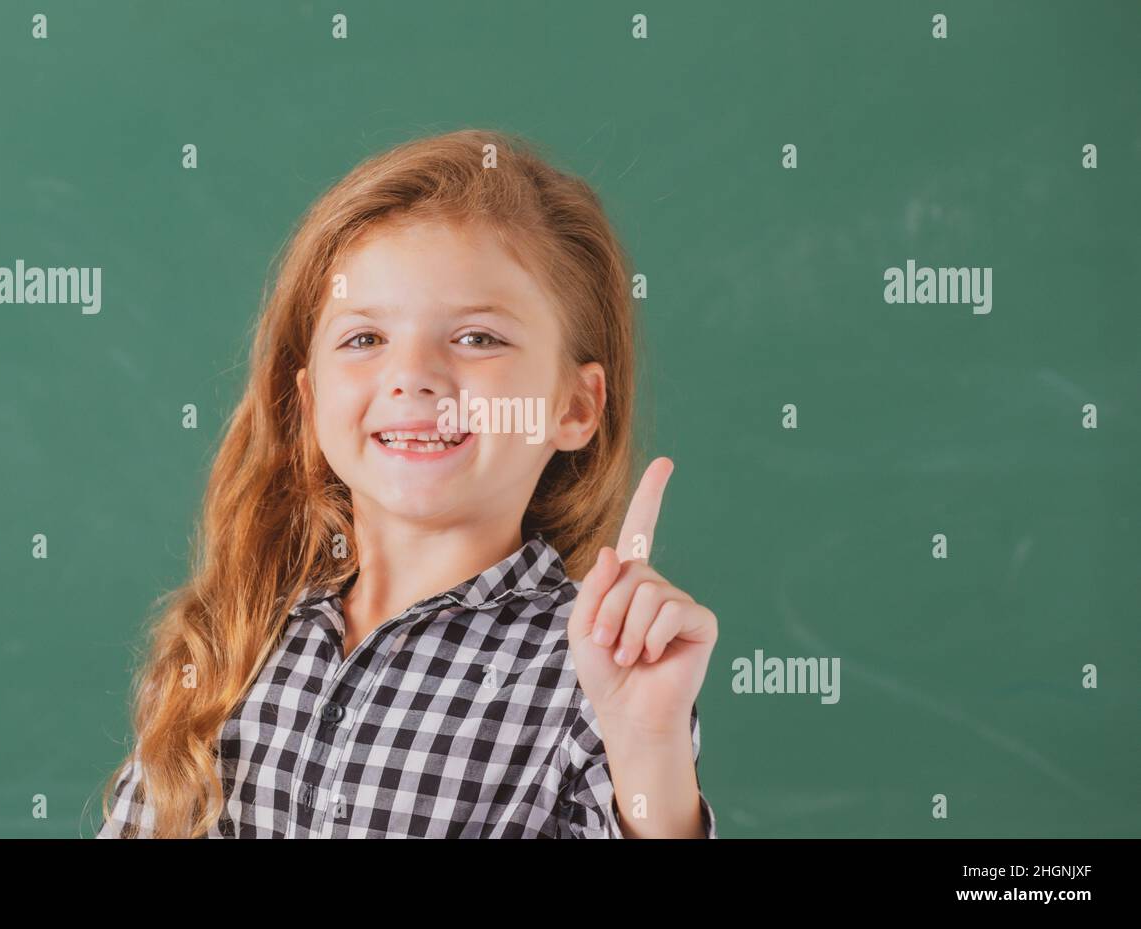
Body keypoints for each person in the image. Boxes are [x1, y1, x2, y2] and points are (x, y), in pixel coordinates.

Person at [97, 128, 720, 838]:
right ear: (310, 403)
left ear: (575, 407)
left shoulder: (596, 670)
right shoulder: (230, 639)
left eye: (477, 337)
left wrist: (647, 749)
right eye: (365, 339)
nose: (412, 373)